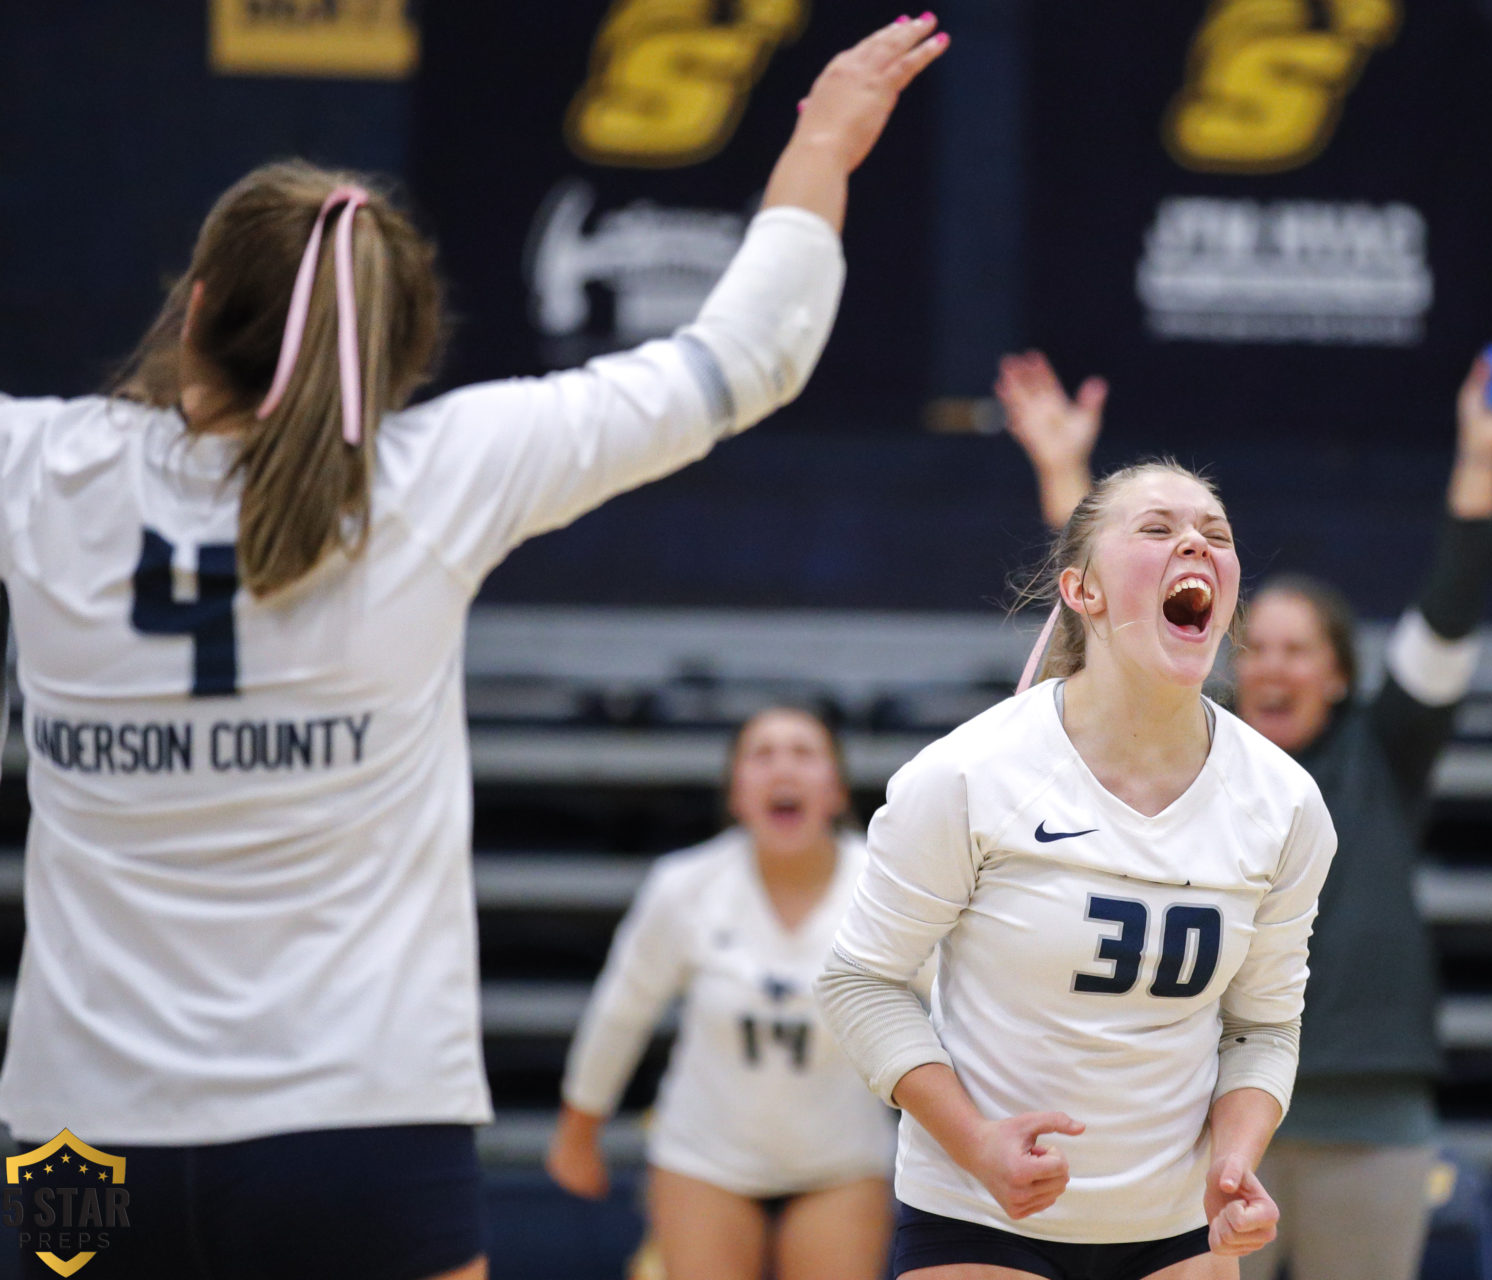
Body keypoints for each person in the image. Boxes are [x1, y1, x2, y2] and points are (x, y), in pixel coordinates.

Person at [0, 18, 946, 1280]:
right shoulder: (438, 474)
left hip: (80, 1135)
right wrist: (821, 139)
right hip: (365, 1130)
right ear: (391, 346)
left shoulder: (38, 468)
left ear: (199, 304)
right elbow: (747, 355)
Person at [996, 349, 1492, 1280]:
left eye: (1302, 652)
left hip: (1364, 1116)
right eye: (1264, 650)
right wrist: (1062, 473)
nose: (1276, 667)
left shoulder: (1383, 751)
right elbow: (1113, 612)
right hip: (1205, 1108)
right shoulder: (1190, 753)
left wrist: (1481, 453)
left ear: (1339, 673)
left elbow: (1449, 614)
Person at [817, 459, 1340, 1280]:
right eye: (1159, 529)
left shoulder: (1286, 803)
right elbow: (859, 982)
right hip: (981, 1219)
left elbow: (1262, 1026)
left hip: (1179, 1231)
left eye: (1217, 533)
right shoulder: (967, 775)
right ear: (1082, 591)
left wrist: (1235, 1160)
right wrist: (974, 1142)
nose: (1196, 544)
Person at [547, 707, 899, 1280]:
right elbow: (621, 1014)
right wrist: (578, 1132)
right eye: (762, 754)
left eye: (804, 753)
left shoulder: (887, 889)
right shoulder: (684, 886)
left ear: (835, 790)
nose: (782, 768)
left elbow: (956, 1009)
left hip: (843, 1163)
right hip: (703, 1159)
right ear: (736, 793)